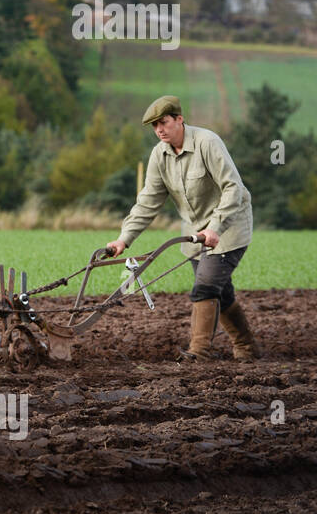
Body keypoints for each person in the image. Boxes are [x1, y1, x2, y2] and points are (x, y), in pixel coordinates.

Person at [105, 95, 259, 362]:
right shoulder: (159, 154)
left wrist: (216, 227)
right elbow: (148, 201)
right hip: (195, 232)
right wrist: (124, 239)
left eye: (163, 122)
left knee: (206, 286)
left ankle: (199, 352)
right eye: (154, 126)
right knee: (221, 291)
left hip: (229, 225)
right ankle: (246, 347)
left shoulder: (207, 143)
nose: (159, 130)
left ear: (179, 119)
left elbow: (232, 187)